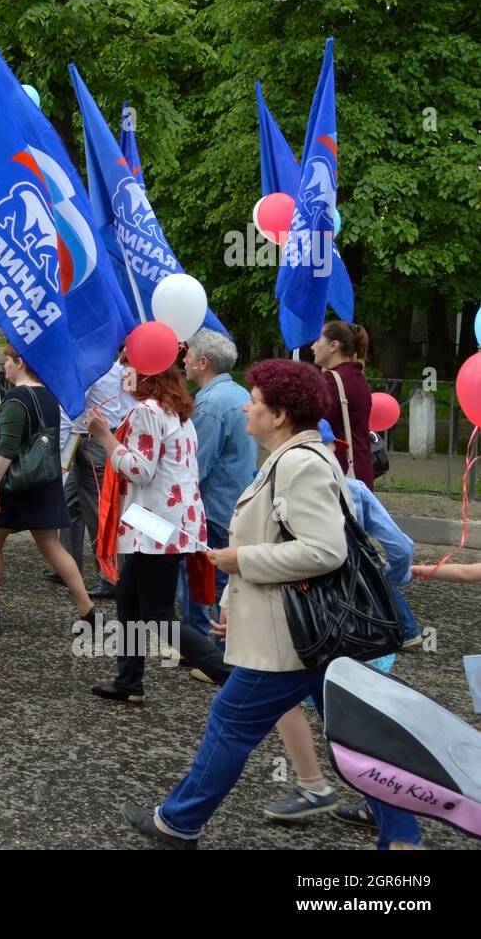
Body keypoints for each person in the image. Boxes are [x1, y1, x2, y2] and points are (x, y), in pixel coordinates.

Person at [121, 359, 421, 849]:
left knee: (230, 721)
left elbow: (324, 551)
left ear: (279, 414)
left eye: (256, 401)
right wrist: (235, 603)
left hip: (296, 637)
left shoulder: (299, 464)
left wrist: (240, 560)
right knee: (357, 735)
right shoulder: (294, 458)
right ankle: (403, 837)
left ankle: (178, 822)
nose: (246, 406)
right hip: (315, 632)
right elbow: (286, 541)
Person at [262, 418, 421, 844]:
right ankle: (384, 813)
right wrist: (393, 582)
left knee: (342, 725)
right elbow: (403, 548)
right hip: (366, 626)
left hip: (309, 629)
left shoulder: (278, 484)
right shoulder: (356, 490)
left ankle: (324, 788)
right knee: (360, 724)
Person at [87, 364, 205, 704]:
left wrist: (105, 438)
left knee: (158, 618)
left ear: (148, 376)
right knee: (128, 596)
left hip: (155, 526)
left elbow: (140, 470)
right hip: (167, 521)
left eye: (131, 368)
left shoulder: (146, 410)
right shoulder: (176, 409)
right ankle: (129, 682)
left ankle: (225, 670)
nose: (125, 374)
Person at [0, 345, 95, 628]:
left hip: (13, 483)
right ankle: (87, 608)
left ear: (20, 362)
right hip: (43, 480)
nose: (4, 367)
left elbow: (7, 447)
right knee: (52, 545)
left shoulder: (16, 399)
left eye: (7, 362)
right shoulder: (49, 396)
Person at [179, 329, 257, 635]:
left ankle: (202, 644)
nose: (183, 360)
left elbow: (195, 466)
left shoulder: (210, 404)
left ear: (203, 361)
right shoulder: (239, 394)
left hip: (211, 507)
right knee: (224, 578)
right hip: (233, 501)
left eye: (188, 354)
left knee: (202, 576)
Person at [59, 360, 134, 599]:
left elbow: (72, 406)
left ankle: (110, 575)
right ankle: (67, 565)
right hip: (91, 439)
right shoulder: (112, 367)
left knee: (98, 512)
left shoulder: (92, 367)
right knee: (70, 504)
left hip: (93, 441)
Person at [312, 319, 374, 487]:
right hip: (360, 469)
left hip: (338, 472)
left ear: (333, 345)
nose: (313, 346)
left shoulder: (331, 381)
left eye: (318, 340)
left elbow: (315, 429)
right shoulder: (357, 376)